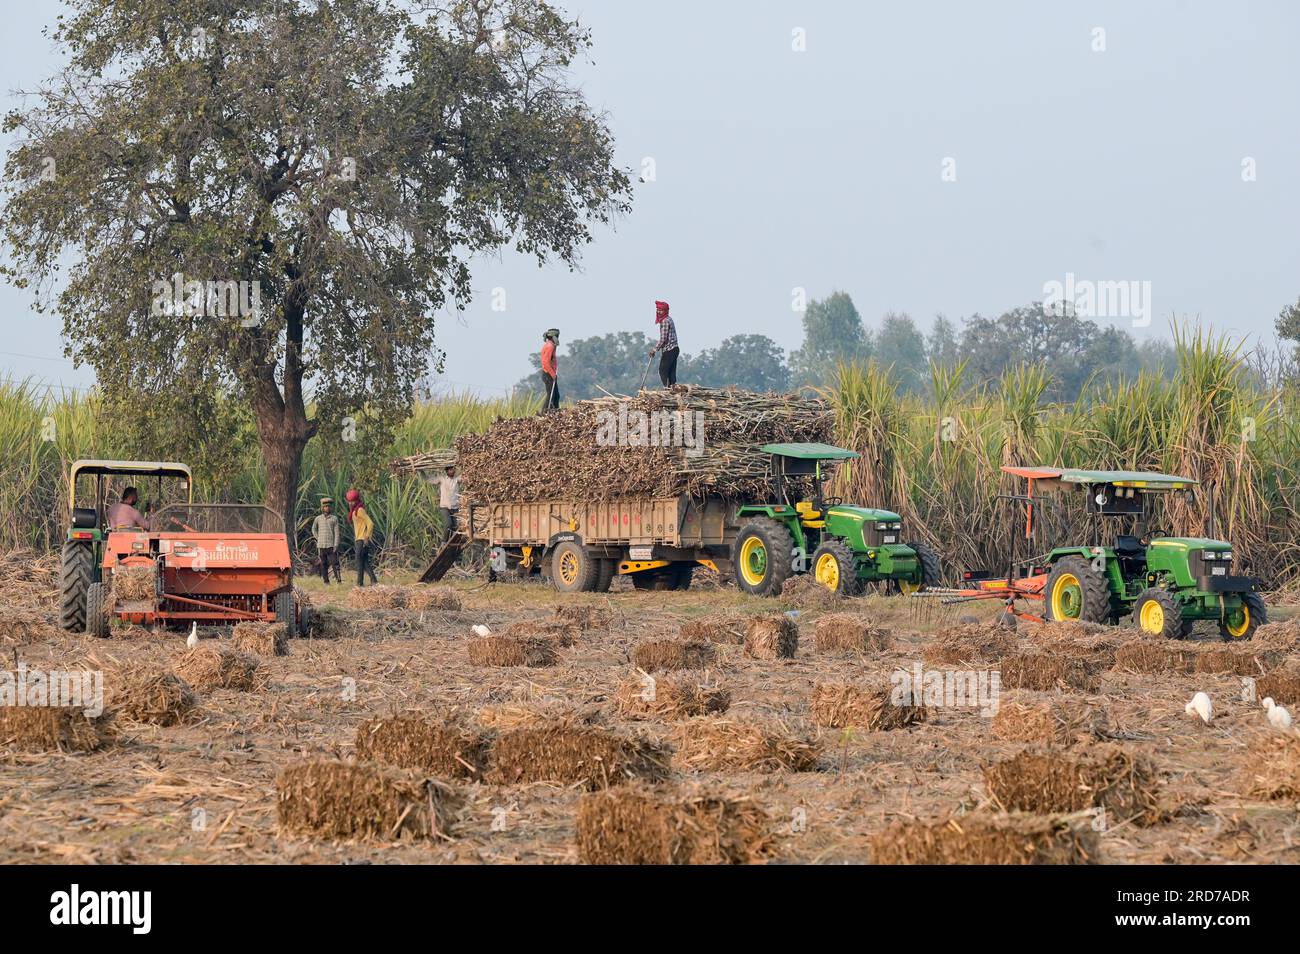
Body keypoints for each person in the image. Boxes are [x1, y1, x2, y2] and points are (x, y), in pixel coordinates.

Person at [345, 488, 378, 587]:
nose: (351, 503)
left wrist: (367, 537)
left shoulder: (359, 510)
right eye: (349, 501)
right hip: (359, 539)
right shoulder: (354, 511)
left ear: (357, 500)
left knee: (359, 562)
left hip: (362, 540)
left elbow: (370, 523)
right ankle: (374, 581)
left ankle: (359, 583)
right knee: (364, 561)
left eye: (353, 501)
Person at [648, 300, 679, 387]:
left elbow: (663, 339)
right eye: (657, 310)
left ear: (665, 311)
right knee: (671, 372)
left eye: (661, 310)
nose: (658, 312)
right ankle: (673, 388)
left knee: (663, 371)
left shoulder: (665, 321)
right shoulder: (669, 319)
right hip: (674, 349)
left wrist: (654, 349)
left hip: (670, 349)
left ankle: (668, 389)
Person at [312, 497, 343, 584]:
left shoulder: (334, 518)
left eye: (328, 506)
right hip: (321, 545)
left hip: (331, 545)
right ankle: (326, 581)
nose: (327, 508)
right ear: (322, 508)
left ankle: (338, 580)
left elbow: (337, 533)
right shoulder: (318, 518)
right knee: (323, 564)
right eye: (325, 506)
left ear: (331, 508)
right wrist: (317, 537)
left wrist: (336, 545)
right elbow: (313, 529)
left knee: (335, 563)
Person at [438, 466, 460, 548]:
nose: (452, 471)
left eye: (453, 469)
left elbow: (467, 477)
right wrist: (421, 471)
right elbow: (429, 479)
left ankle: (454, 546)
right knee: (448, 524)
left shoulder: (457, 479)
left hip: (455, 507)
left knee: (457, 527)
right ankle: (444, 541)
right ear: (446, 471)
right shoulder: (442, 479)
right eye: (450, 470)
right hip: (445, 507)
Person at [540, 328, 560, 412]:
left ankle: (556, 411)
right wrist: (553, 374)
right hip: (548, 374)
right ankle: (544, 412)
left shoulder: (551, 345)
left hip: (550, 373)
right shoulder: (550, 346)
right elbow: (546, 363)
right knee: (551, 395)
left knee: (556, 395)